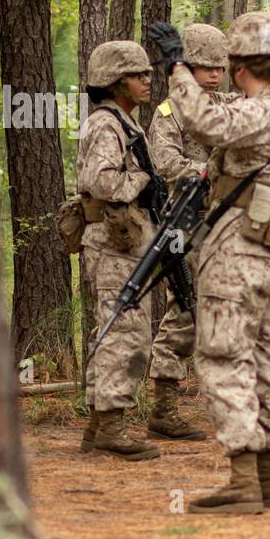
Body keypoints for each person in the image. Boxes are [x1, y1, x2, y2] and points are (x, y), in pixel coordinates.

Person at [150, 12, 270, 512]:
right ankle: (268, 480)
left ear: (240, 66)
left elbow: (203, 121)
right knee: (265, 363)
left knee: (224, 356)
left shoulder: (261, 111)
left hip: (238, 254)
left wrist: (177, 67)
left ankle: (243, 478)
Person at [76, 41, 161, 460]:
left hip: (124, 243)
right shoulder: (107, 125)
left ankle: (97, 427)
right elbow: (103, 182)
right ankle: (111, 425)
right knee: (122, 332)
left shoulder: (125, 123)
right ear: (115, 82)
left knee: (114, 330)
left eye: (147, 73)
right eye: (137, 75)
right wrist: (143, 180)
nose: (147, 81)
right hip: (112, 244)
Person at [144, 23, 228, 441]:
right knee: (186, 307)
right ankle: (164, 404)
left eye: (219, 67)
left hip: (226, 223)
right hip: (187, 221)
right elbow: (165, 162)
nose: (213, 75)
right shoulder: (169, 112)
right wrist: (208, 172)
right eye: (203, 67)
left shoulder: (227, 105)